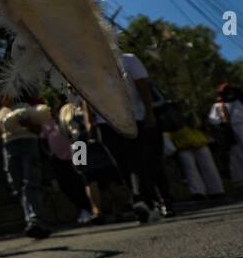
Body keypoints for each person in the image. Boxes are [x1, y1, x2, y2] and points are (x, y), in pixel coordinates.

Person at [85, 52, 167, 222]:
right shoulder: (90, 66)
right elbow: (87, 93)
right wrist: (90, 120)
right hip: (103, 125)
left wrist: (149, 113)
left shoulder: (128, 59)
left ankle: (145, 200)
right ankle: (140, 200)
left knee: (138, 161)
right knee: (120, 165)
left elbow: (143, 85)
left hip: (133, 118)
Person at [0, 95, 54, 238]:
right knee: (17, 184)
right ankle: (33, 219)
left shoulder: (26, 108)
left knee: (30, 182)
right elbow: (0, 137)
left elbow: (38, 130)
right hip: (9, 148)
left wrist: (27, 124)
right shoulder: (0, 114)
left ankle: (36, 221)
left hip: (28, 144)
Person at [41, 100, 95, 226]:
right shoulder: (47, 123)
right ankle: (84, 209)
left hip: (77, 150)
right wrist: (49, 153)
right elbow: (43, 139)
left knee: (84, 178)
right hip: (59, 158)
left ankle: (94, 207)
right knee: (67, 184)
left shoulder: (68, 112)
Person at [168, 112, 225, 202]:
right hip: (183, 146)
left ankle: (216, 190)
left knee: (209, 168)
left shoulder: (190, 114)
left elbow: (199, 124)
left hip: (199, 143)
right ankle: (198, 192)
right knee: (190, 171)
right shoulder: (168, 117)